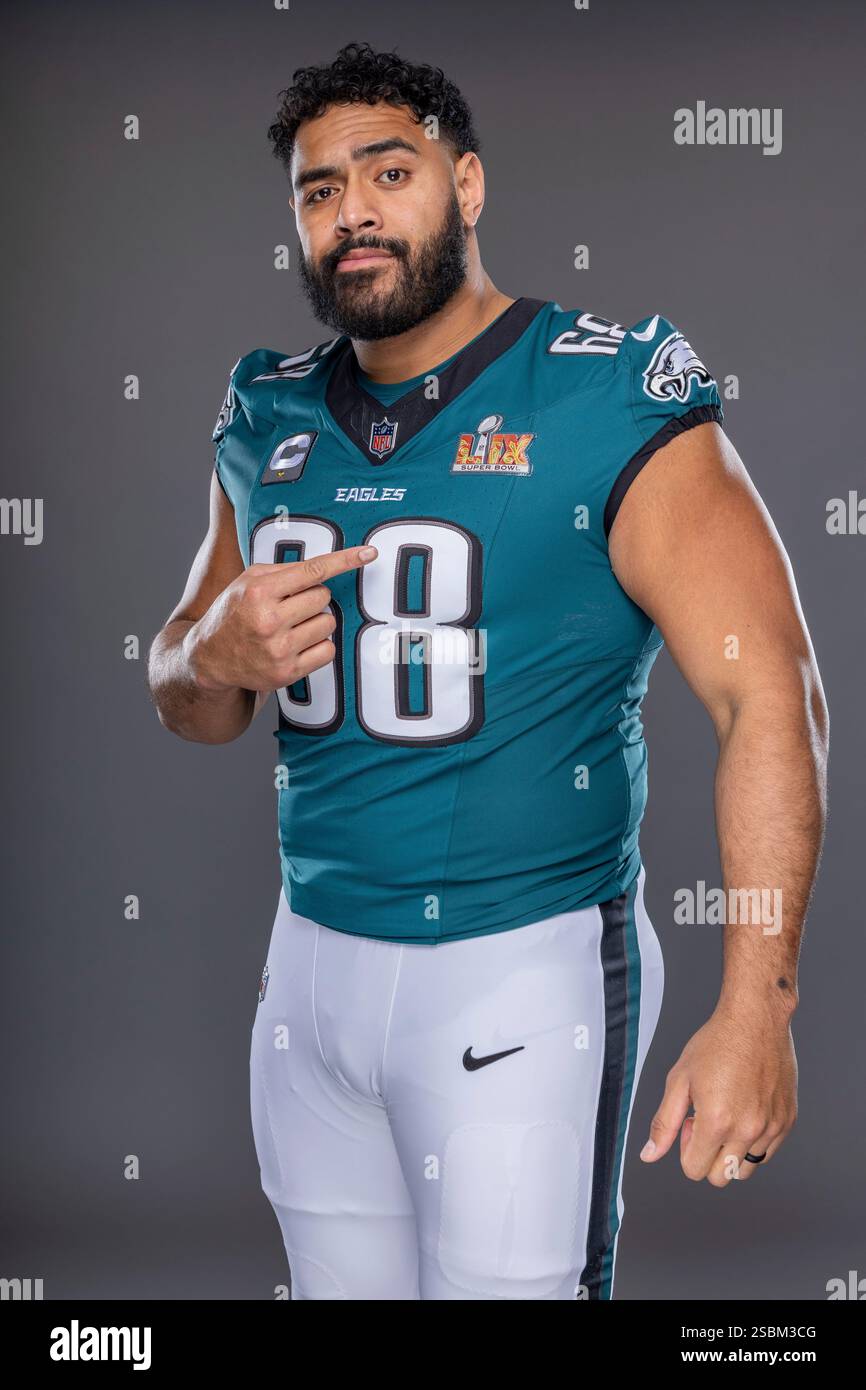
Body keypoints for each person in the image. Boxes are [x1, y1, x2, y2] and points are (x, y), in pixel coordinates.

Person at [147, 42, 828, 1300]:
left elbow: (767, 694)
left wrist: (758, 1003)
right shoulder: (265, 413)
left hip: (523, 964)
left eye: (387, 172)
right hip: (308, 968)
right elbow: (189, 691)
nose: (351, 212)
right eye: (317, 190)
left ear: (464, 186)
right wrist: (210, 651)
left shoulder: (603, 389)